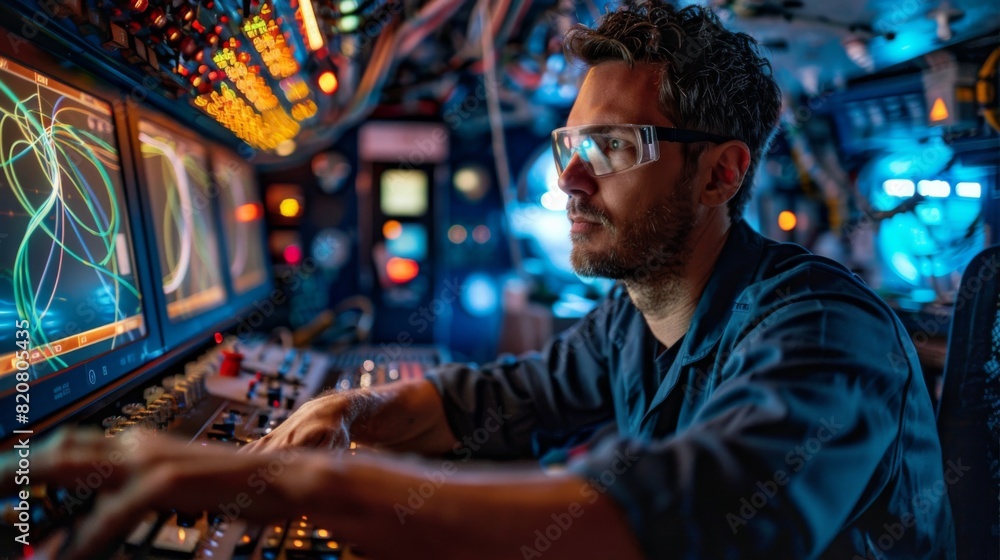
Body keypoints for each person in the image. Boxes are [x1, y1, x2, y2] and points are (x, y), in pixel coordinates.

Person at [1, 2, 955, 559]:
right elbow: (493, 397)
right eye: (569, 144)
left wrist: (296, 484)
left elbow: (674, 515)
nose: (568, 179)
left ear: (721, 172)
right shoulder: (637, 318)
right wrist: (352, 417)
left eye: (611, 148)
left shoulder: (826, 335)